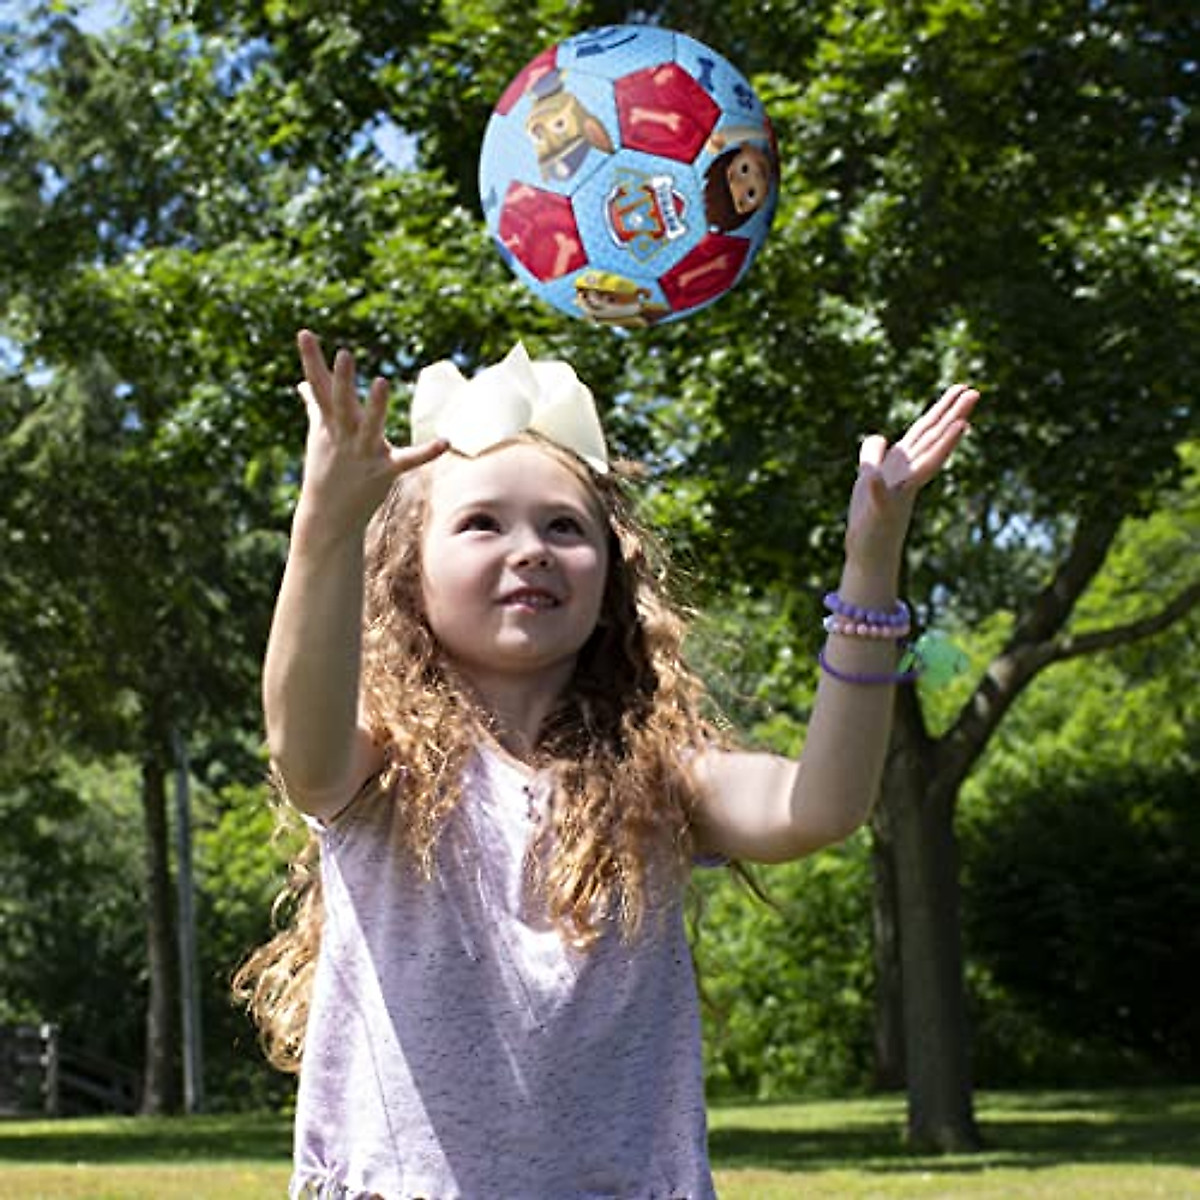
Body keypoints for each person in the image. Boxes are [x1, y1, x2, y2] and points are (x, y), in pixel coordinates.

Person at [235, 329, 979, 1199]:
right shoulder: (378, 759)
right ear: (405, 569)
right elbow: (302, 748)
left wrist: (871, 565)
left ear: (611, 578)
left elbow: (821, 805)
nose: (531, 549)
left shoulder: (655, 770)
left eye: (564, 527)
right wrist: (326, 524)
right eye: (482, 523)